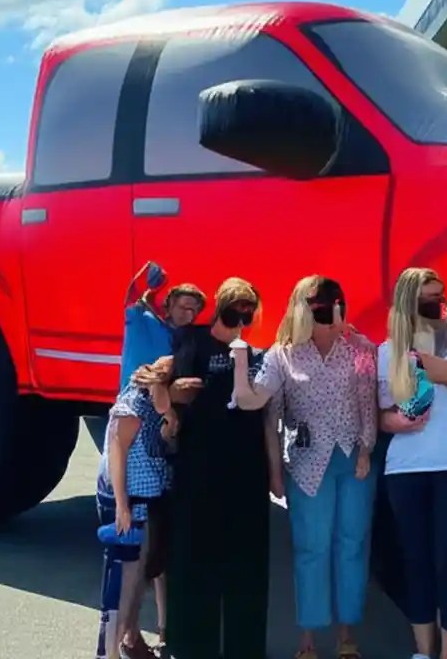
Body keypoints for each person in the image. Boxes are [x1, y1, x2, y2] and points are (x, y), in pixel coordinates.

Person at [231, 276, 379, 659]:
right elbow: (264, 411)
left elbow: (368, 403)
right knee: (311, 549)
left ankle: (347, 634)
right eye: (320, 307)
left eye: (335, 304)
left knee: (352, 545)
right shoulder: (282, 355)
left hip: (352, 458)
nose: (330, 313)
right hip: (307, 463)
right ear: (303, 310)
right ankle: (308, 639)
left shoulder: (360, 347)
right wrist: (276, 471)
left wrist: (366, 450)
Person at [165, 277, 281, 659]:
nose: (242, 319)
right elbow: (172, 392)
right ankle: (189, 646)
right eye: (237, 310)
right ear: (221, 306)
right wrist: (177, 392)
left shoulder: (256, 354)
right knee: (194, 559)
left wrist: (274, 471)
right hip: (198, 466)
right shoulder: (192, 341)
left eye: (249, 313)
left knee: (245, 565)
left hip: (246, 471)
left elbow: (266, 418)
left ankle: (244, 649)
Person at [375, 267, 447, 659]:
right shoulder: (387, 350)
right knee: (415, 563)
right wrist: (394, 421)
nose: (435, 302)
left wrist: (443, 368)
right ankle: (424, 652)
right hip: (406, 470)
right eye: (426, 297)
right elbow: (377, 413)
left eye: (439, 294)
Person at [95, 357, 178, 659]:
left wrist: (169, 426)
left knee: (144, 574)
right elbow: (117, 449)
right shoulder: (134, 403)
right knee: (124, 583)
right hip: (129, 502)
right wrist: (121, 505)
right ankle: (110, 650)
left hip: (149, 500)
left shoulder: (158, 409)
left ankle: (130, 638)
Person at [120, 261, 205, 388]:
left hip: (165, 404)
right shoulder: (145, 322)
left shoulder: (192, 340)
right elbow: (132, 298)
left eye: (191, 310)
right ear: (169, 307)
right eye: (181, 306)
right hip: (131, 402)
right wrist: (151, 279)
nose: (185, 312)